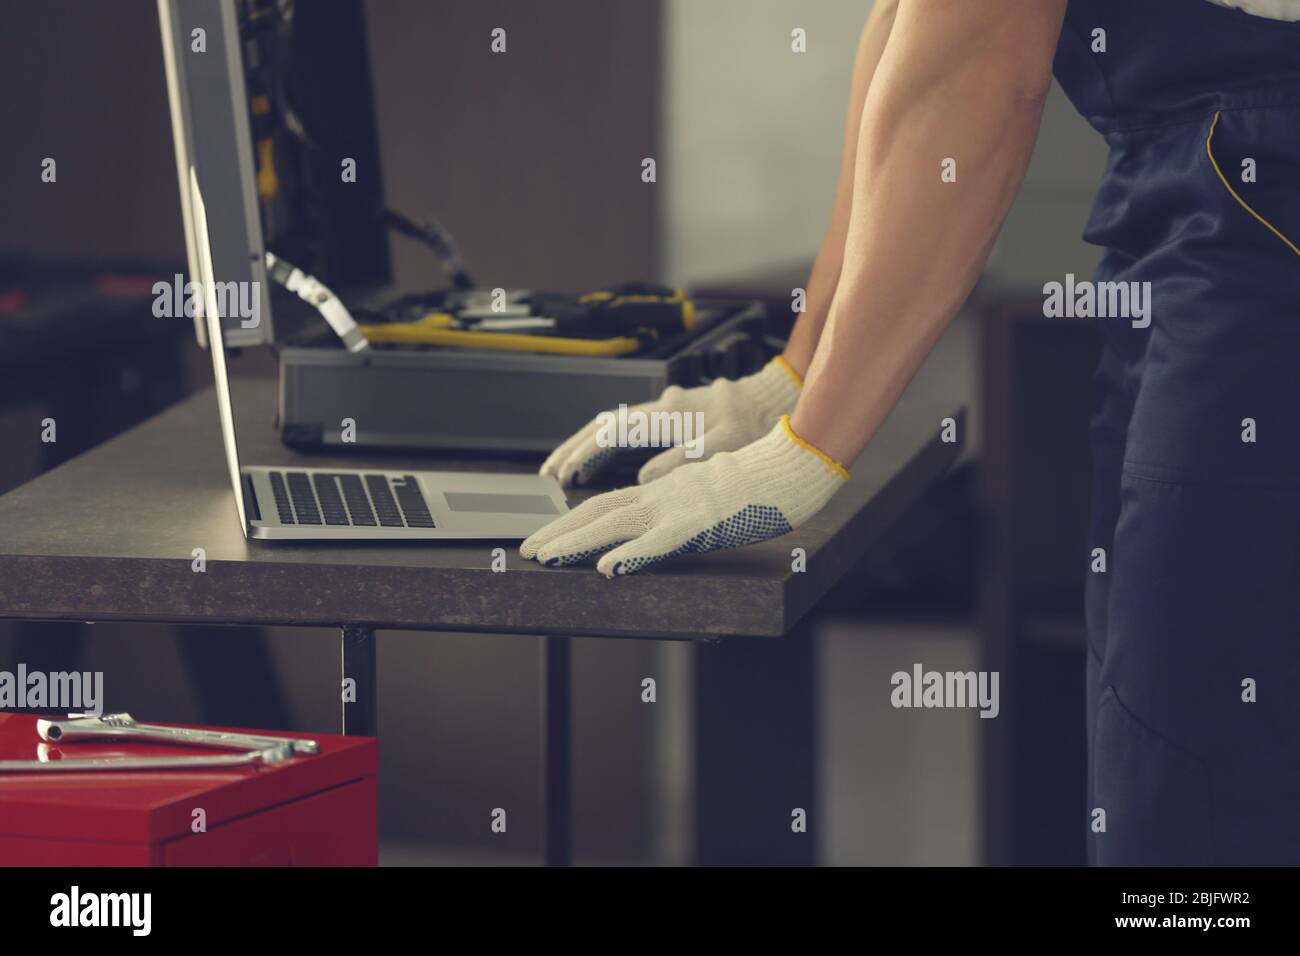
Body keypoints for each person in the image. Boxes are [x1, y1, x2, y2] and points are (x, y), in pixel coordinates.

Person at [521, 0, 1300, 864]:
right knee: (1163, 735)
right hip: (1195, 204)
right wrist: (793, 383)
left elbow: (975, 67)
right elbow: (913, 41)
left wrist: (804, 455)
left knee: (1196, 787)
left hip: (1259, 210)